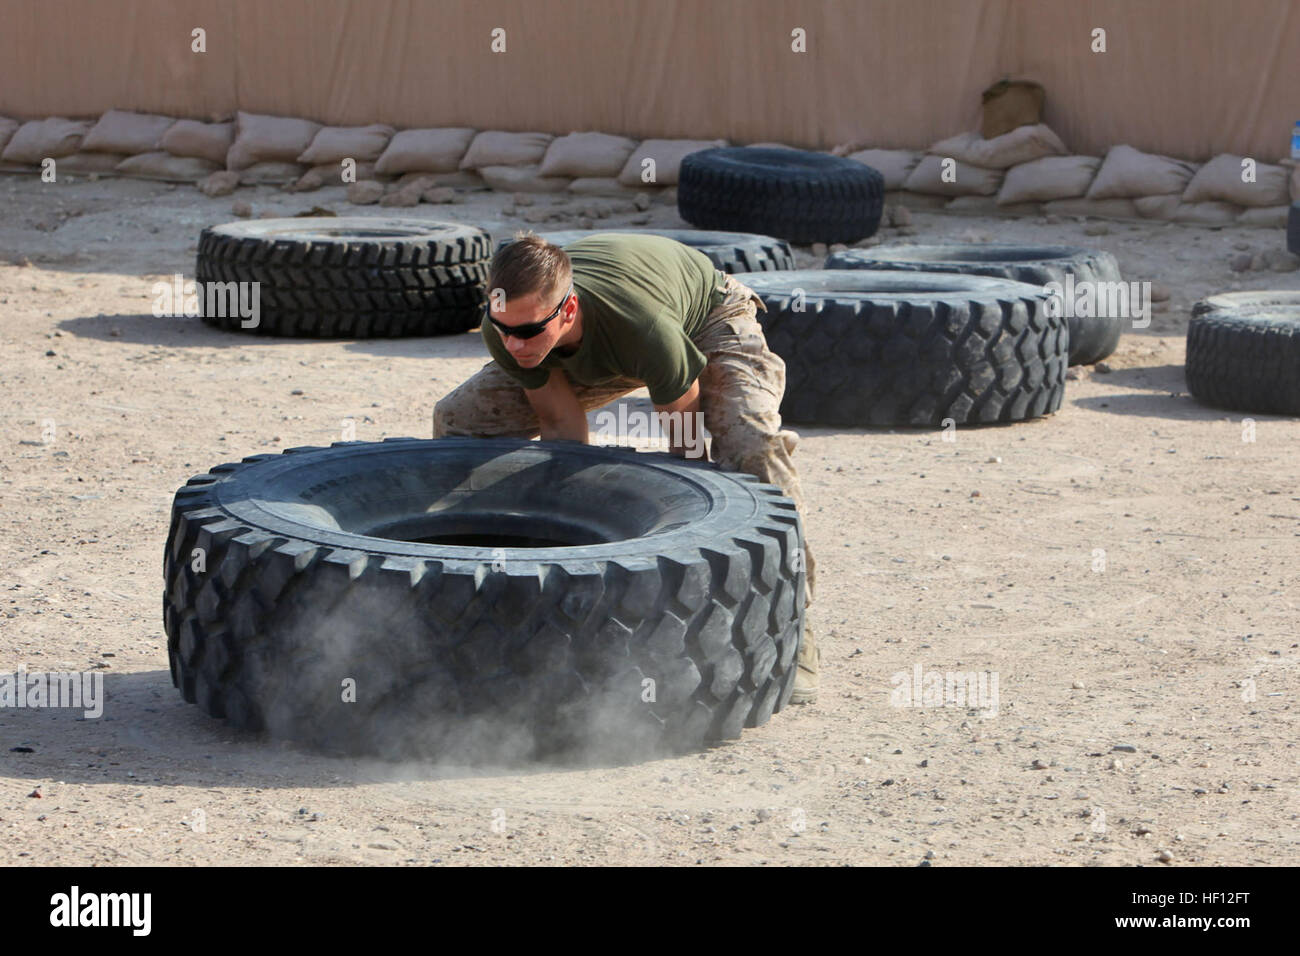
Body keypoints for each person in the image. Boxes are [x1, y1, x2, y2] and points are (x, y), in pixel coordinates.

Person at [433, 232, 820, 702]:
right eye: (503, 328)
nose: (513, 344)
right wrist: (559, 548)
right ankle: (472, 588)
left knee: (749, 439)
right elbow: (561, 423)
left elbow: (686, 437)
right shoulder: (512, 326)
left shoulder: (643, 327)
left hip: (704, 318)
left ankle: (792, 624)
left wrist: (693, 551)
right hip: (592, 345)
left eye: (527, 331)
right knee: (460, 417)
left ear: (568, 310)